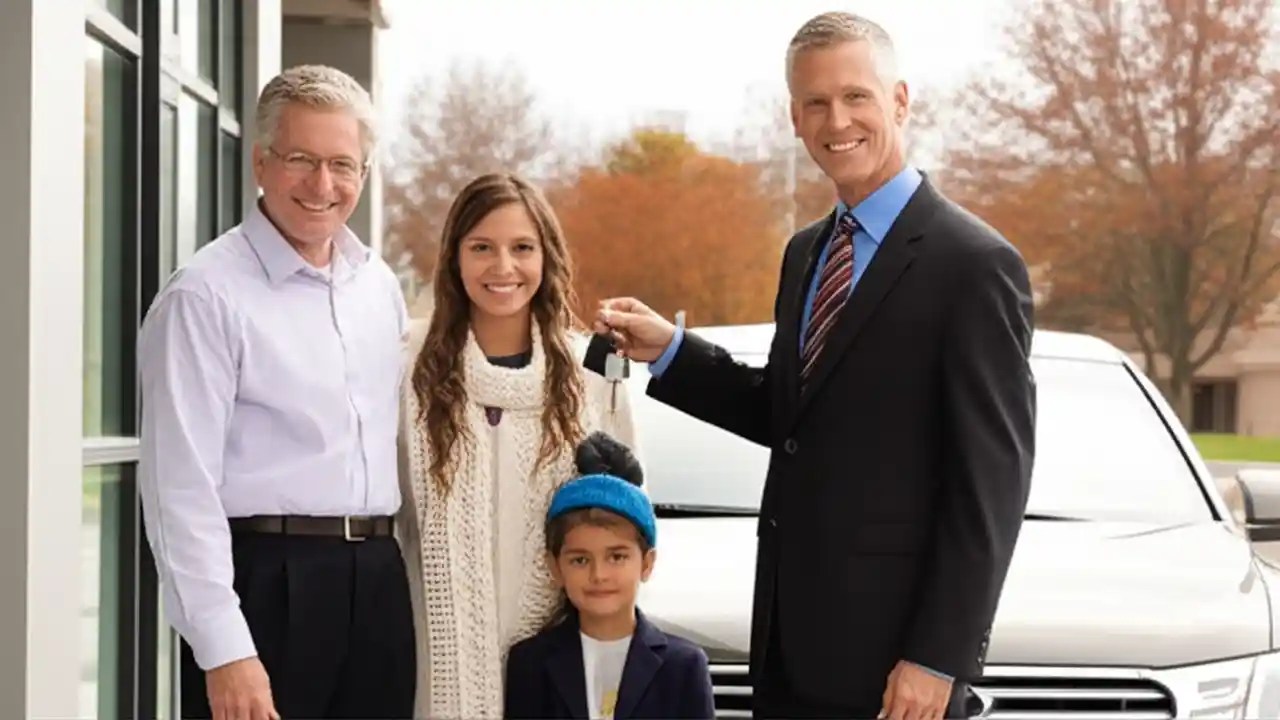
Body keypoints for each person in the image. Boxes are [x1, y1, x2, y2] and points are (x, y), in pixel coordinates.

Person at [594, 11, 1036, 720]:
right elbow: (792, 415)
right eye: (816, 104)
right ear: (795, 118)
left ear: (898, 100)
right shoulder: (807, 253)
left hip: (897, 669)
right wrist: (671, 350)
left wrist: (938, 657)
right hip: (789, 650)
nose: (838, 120)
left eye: (856, 96)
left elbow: (992, 484)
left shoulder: (974, 266)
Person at [137, 65, 414, 720]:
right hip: (267, 588)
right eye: (301, 160)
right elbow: (179, 487)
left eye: (342, 164)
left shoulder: (378, 288)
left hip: (377, 582)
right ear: (261, 163)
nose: (323, 185)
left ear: (364, 173)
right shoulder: (205, 294)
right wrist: (224, 648)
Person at [396, 172, 639, 719]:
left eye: (522, 248)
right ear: (454, 257)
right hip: (430, 673)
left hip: (558, 680)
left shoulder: (591, 380)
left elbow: (620, 526)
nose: (503, 267)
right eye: (482, 247)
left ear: (546, 257)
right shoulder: (409, 370)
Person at [503, 431, 715, 720]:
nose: (599, 574)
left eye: (617, 557)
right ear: (555, 567)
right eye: (580, 560)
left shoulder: (683, 666)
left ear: (646, 563)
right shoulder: (530, 663)